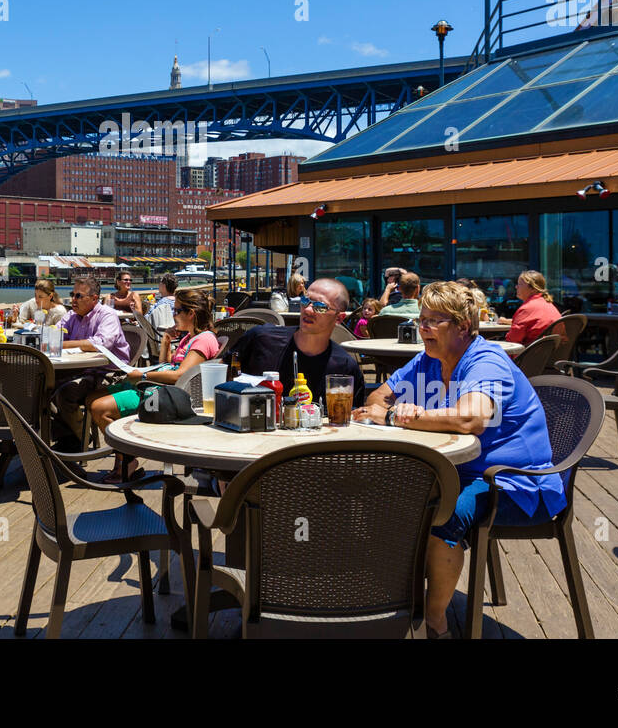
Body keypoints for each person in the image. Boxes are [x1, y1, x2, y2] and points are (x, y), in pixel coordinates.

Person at [352, 281, 566, 638]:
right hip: (454, 470)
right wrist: (383, 410)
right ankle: (393, 602)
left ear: (463, 327)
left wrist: (398, 417)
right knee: (380, 499)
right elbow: (378, 397)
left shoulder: (485, 361)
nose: (422, 328)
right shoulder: (429, 360)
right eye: (420, 319)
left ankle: (435, 624)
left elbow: (471, 419)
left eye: (433, 321)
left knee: (441, 516)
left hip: (514, 482)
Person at [86, 288, 220, 481]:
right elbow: (169, 365)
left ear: (191, 313)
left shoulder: (203, 340)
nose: (173, 315)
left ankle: (127, 460)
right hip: (156, 386)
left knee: (99, 408)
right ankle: (123, 457)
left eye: (176, 311)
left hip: (164, 395)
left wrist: (143, 375)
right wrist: (166, 342)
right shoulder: (190, 337)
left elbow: (180, 376)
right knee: (92, 397)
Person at [229, 278, 363, 405]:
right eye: (305, 301)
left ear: (339, 318)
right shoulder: (261, 338)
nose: (308, 310)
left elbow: (353, 418)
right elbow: (224, 371)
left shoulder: (345, 368)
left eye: (320, 306)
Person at [59, 274, 131, 360]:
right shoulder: (71, 315)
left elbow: (100, 344)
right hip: (79, 365)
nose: (73, 299)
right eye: (72, 295)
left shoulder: (107, 315)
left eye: (78, 296)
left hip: (107, 370)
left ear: (94, 299)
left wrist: (61, 345)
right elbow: (54, 333)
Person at [504, 271, 562, 345]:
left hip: (530, 354)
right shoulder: (547, 304)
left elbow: (512, 340)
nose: (516, 287)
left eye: (520, 284)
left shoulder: (527, 308)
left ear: (533, 289)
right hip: (550, 353)